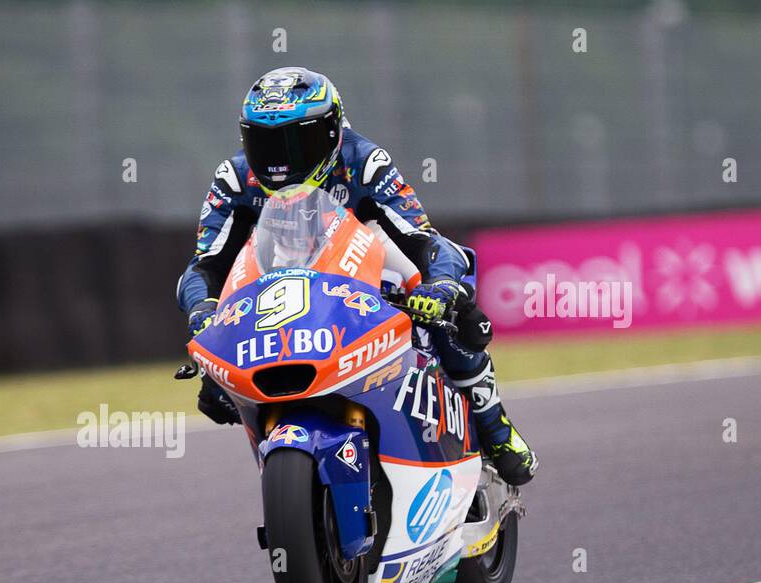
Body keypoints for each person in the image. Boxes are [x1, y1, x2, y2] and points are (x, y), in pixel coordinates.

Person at [177, 66, 537, 485]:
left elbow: (420, 236)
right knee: (216, 387)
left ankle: (495, 428)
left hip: (365, 261)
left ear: (332, 133)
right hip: (277, 280)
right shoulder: (234, 178)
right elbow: (204, 265)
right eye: (266, 144)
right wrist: (204, 310)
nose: (282, 162)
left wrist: (441, 286)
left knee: (452, 316)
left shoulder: (364, 161)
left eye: (298, 141)